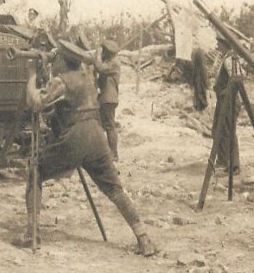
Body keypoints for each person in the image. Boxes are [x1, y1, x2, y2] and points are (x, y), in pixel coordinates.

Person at [17, 40, 157, 256]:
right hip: (96, 134)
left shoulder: (62, 81)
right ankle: (144, 238)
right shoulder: (87, 78)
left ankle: (31, 233)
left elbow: (36, 103)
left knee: (35, 169)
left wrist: (32, 75)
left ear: (63, 60)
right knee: (114, 188)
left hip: (76, 136)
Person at [211, 36, 240, 174]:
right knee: (219, 129)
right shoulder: (224, 58)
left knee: (227, 131)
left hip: (229, 100)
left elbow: (238, 78)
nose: (217, 46)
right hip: (223, 100)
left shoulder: (230, 59)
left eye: (219, 44)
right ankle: (224, 161)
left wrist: (227, 91)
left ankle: (230, 164)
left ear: (225, 44)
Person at [90, 39, 122, 161]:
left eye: (103, 51)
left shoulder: (114, 63)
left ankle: (113, 154)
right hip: (105, 98)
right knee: (102, 125)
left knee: (109, 126)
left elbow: (100, 68)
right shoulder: (109, 62)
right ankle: (106, 152)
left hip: (109, 98)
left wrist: (97, 56)